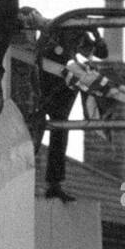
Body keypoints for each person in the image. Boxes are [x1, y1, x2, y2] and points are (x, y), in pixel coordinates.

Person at [31, 16, 107, 202]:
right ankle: (32, 179)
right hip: (45, 83)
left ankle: (54, 184)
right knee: (36, 130)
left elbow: (101, 53)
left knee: (59, 131)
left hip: (63, 88)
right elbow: (39, 54)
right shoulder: (54, 30)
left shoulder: (78, 34)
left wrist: (96, 35)